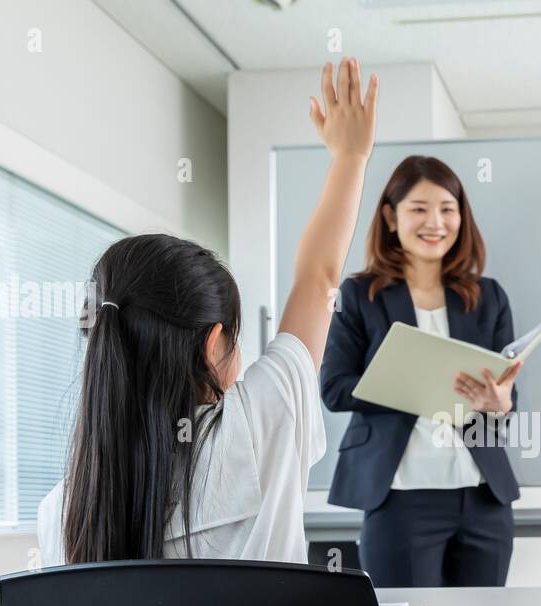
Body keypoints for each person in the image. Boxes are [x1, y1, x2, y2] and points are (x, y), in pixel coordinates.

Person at [37, 59, 378, 566]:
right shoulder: (265, 417)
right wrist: (351, 155)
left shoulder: (65, 510)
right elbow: (319, 279)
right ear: (212, 344)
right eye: (235, 339)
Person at [320, 156, 520, 587]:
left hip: (483, 499)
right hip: (399, 498)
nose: (436, 222)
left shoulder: (487, 297)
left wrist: (500, 403)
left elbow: (507, 398)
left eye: (448, 209)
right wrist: (408, 383)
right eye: (419, 209)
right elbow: (334, 388)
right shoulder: (359, 295)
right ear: (391, 217)